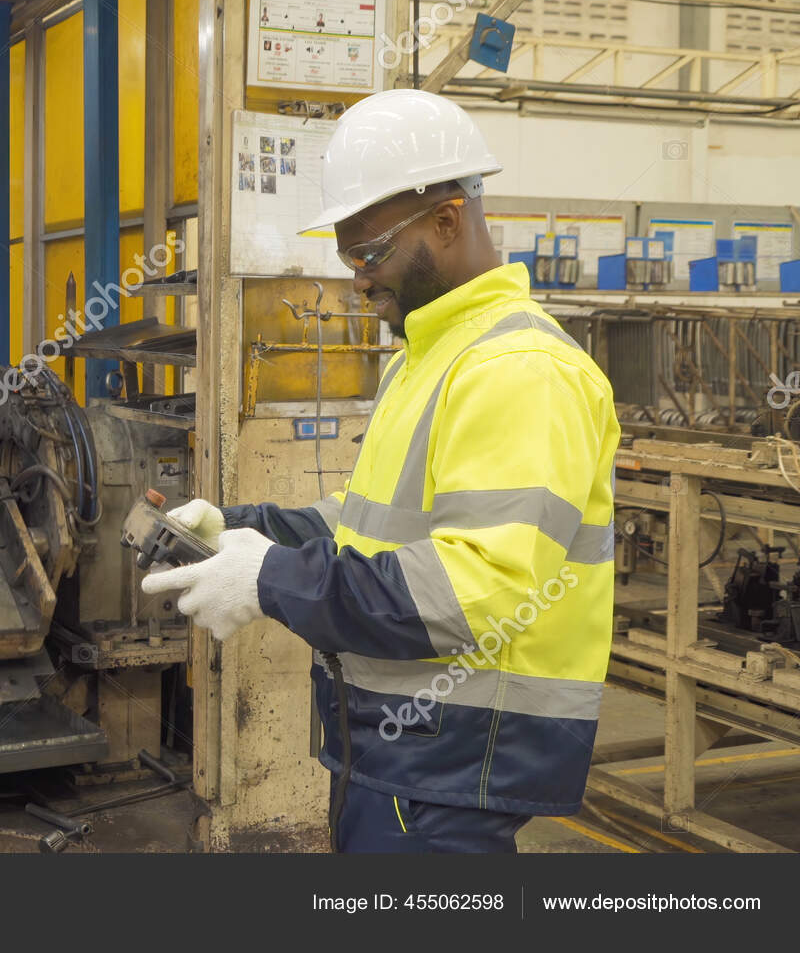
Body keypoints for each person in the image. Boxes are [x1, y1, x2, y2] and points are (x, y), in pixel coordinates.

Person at [143, 88, 619, 853]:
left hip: (454, 759)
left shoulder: (519, 370)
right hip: (399, 751)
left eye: (369, 253)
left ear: (447, 220)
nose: (358, 279)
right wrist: (241, 530)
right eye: (347, 257)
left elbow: (471, 595)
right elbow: (365, 525)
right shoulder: (428, 359)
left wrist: (270, 580)